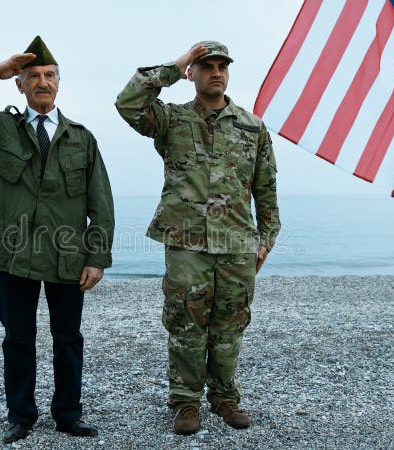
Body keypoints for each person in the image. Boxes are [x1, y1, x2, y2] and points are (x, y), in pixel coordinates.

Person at [0, 36, 113, 443]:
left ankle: (68, 414)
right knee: (18, 338)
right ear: (20, 84)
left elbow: (100, 203)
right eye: (32, 76)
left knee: (68, 338)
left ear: (59, 83)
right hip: (12, 254)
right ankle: (21, 415)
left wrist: (96, 256)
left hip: (67, 255)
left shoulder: (82, 139)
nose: (42, 82)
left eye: (49, 75)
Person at [115, 41, 280, 435]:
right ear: (194, 73)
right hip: (186, 243)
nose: (216, 72)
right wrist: (177, 63)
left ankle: (225, 399)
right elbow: (128, 103)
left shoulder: (252, 126)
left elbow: (266, 187)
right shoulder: (171, 120)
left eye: (222, 66)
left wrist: (266, 238)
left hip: (238, 244)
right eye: (206, 66)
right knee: (185, 325)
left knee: (230, 326)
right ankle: (186, 404)